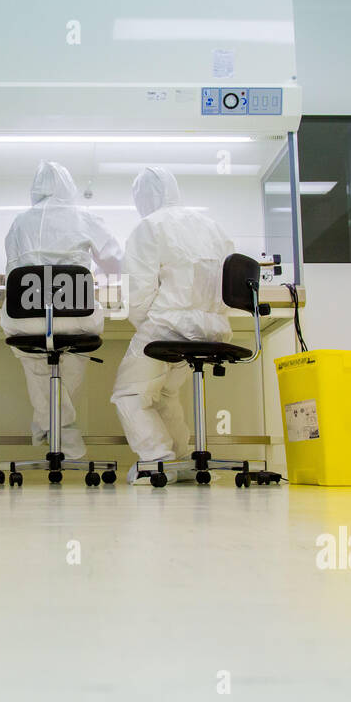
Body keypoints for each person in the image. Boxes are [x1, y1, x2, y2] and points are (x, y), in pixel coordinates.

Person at [110, 166, 234, 482]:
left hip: (168, 328)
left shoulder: (148, 227)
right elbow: (229, 286)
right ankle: (181, 461)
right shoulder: (213, 227)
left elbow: (136, 295)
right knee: (165, 394)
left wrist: (148, 327)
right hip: (212, 331)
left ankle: (157, 460)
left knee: (130, 393)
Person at [1, 161, 123, 460]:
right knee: (68, 374)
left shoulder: (19, 222)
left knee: (38, 371)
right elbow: (116, 263)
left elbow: (12, 267)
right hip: (75, 319)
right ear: (69, 187)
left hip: (26, 318)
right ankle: (64, 435)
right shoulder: (86, 217)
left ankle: (49, 427)